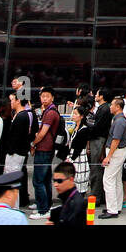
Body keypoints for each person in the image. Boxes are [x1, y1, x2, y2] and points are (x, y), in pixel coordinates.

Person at [30, 86, 61, 220]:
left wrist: (33, 143)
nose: (44, 99)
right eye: (43, 96)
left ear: (52, 98)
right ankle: (46, 205)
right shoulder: (49, 111)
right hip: (47, 149)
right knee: (45, 179)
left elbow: (42, 133)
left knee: (38, 181)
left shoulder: (50, 113)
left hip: (44, 149)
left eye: (47, 96)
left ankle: (42, 209)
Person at [101, 97, 126, 219]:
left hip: (116, 152)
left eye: (112, 105)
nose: (110, 106)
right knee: (116, 179)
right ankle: (116, 206)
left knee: (108, 180)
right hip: (119, 152)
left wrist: (108, 156)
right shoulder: (120, 119)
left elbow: (116, 140)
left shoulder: (119, 121)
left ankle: (112, 209)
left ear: (118, 107)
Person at [48, 161, 88, 226]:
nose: (55, 184)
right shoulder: (67, 198)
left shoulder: (76, 203)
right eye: (54, 181)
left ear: (71, 179)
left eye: (59, 181)